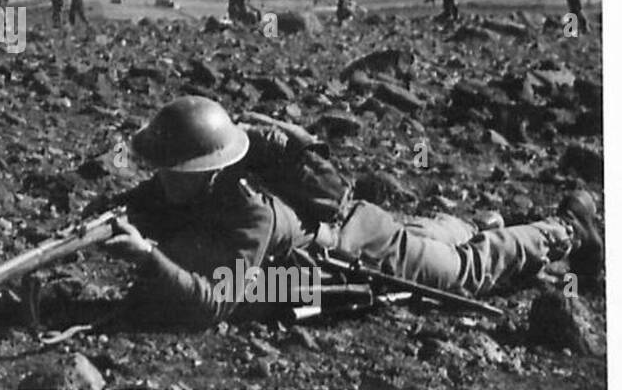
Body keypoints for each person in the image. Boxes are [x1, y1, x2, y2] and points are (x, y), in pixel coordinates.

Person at [94, 96, 581, 328]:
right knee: (435, 236)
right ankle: (478, 223)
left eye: (173, 169)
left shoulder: (250, 214)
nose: (161, 178)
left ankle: (560, 229)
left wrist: (145, 257)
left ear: (207, 169)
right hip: (354, 221)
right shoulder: (193, 182)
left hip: (368, 252)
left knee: (465, 271)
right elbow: (148, 201)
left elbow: (212, 304)